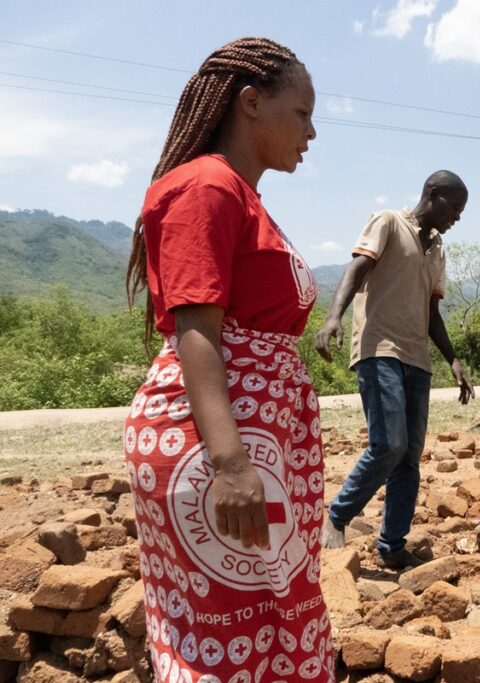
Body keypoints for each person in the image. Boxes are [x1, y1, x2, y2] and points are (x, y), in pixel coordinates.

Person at [123, 38, 331, 682]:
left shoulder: (240, 196)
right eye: (301, 113)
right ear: (250, 103)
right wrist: (231, 462)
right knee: (226, 632)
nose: (312, 131)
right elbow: (196, 330)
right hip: (218, 445)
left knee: (265, 617)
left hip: (248, 444)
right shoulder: (207, 185)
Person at [315, 171, 475, 569]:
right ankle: (336, 515)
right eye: (454, 207)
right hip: (379, 349)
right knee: (388, 444)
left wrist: (452, 358)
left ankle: (392, 545)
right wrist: (333, 318)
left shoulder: (437, 248)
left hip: (417, 358)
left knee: (408, 457)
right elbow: (356, 269)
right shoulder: (387, 221)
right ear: (433, 195)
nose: (457, 217)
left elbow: (432, 312)